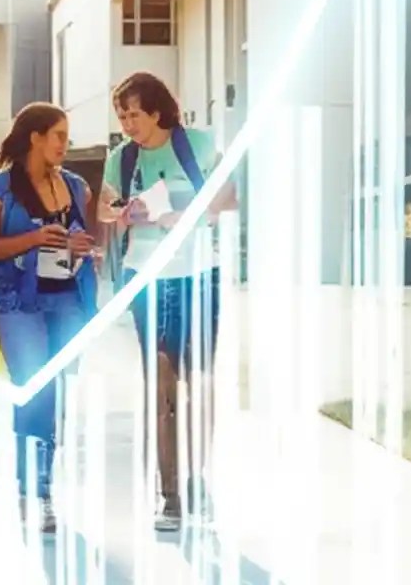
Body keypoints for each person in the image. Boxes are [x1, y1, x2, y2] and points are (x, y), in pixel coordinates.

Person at [98, 71, 237, 531]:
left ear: (157, 111)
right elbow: (104, 209)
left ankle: (199, 479)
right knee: (161, 386)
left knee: (198, 383)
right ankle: (170, 494)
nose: (128, 123)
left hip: (199, 274)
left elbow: (229, 199)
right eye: (122, 116)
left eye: (134, 114)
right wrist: (125, 212)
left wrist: (187, 214)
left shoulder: (196, 144)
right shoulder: (122, 158)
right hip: (147, 277)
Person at [0, 102, 98, 534]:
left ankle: (40, 486)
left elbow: (88, 239)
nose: (65, 144)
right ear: (35, 137)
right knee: (34, 392)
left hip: (68, 301)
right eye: (59, 135)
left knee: (54, 395)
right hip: (17, 305)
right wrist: (33, 238)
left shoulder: (77, 187)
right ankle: (35, 492)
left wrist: (82, 245)